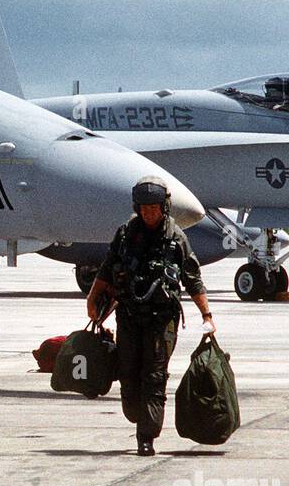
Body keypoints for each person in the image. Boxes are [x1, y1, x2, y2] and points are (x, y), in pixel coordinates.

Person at [87, 178, 214, 456]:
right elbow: (107, 268)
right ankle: (138, 416)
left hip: (161, 320)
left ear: (164, 206)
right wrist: (93, 298)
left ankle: (146, 437)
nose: (149, 213)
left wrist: (207, 315)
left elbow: (192, 278)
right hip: (129, 316)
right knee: (129, 376)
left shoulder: (176, 238)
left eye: (153, 208)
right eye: (143, 208)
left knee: (154, 378)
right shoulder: (124, 235)